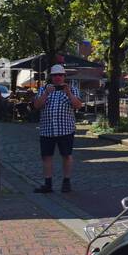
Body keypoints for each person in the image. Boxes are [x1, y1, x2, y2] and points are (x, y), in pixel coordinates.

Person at [32, 65, 83, 193]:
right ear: (51, 77)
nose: (58, 77)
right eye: (55, 75)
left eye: (60, 75)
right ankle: (47, 184)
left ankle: (66, 182)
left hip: (65, 130)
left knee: (66, 156)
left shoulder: (72, 89)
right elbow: (37, 106)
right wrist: (46, 94)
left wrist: (69, 93)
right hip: (47, 130)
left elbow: (78, 106)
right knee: (46, 157)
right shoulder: (44, 89)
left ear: (64, 76)